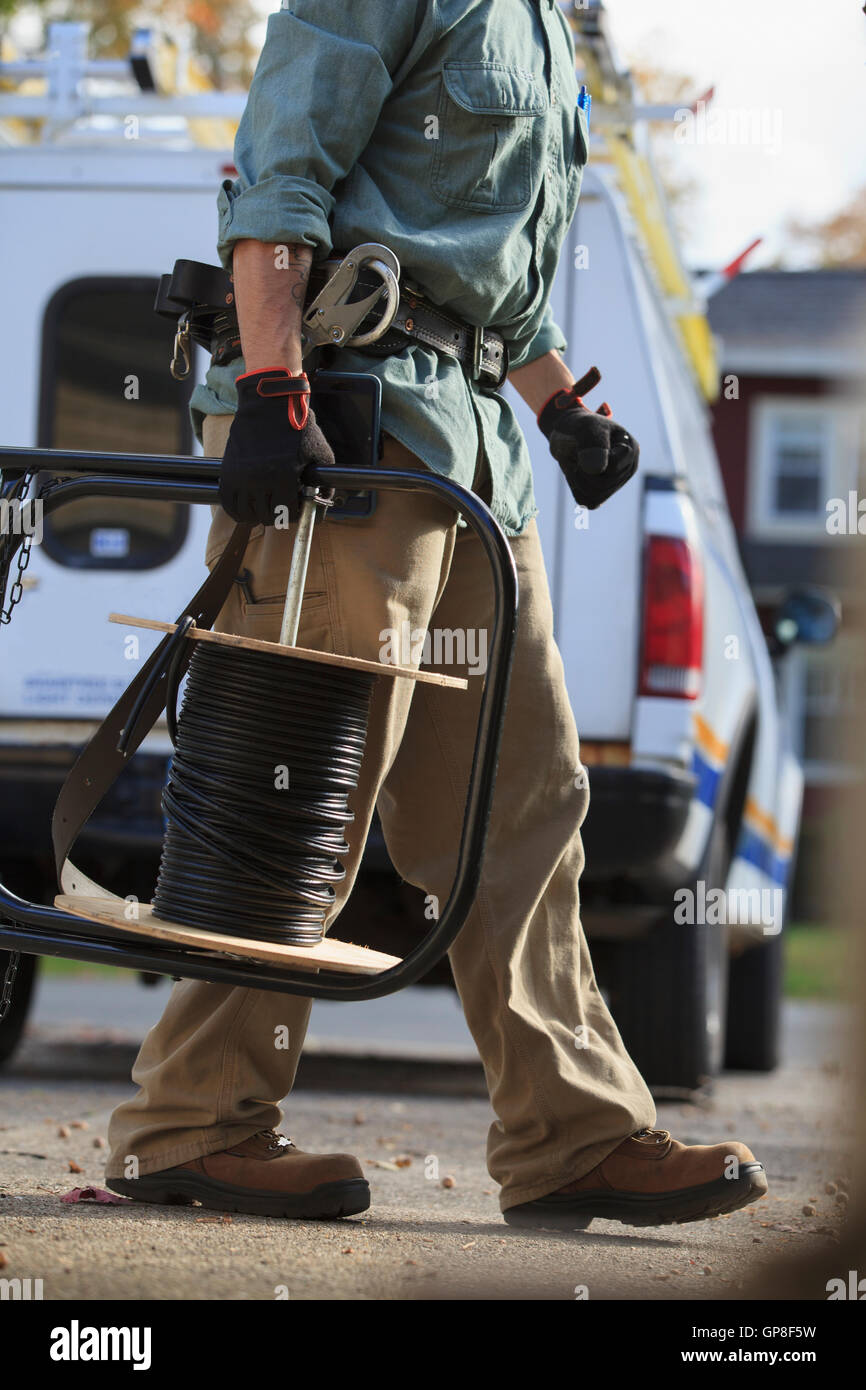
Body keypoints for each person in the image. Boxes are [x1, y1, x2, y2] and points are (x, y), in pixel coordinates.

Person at [106, 1, 767, 1230]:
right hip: (343, 423)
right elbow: (279, 170)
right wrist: (265, 388)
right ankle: (191, 1124)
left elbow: (487, 275)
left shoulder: (543, 25)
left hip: (466, 444)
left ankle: (573, 1134)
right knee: (296, 791)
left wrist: (557, 401)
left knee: (524, 802)